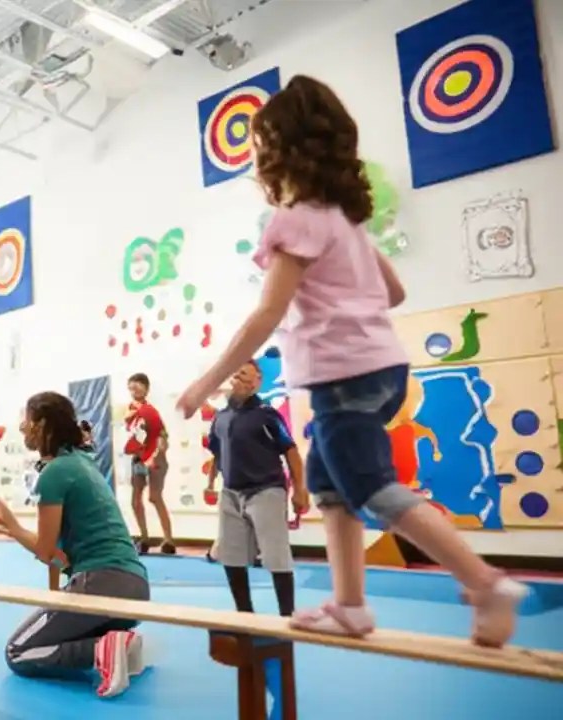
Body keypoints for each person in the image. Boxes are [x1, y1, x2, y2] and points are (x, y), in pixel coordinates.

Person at [175, 74, 527, 647]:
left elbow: (265, 314)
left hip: (344, 378)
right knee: (332, 488)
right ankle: (350, 605)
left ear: (277, 153)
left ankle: (483, 581)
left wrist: (205, 382)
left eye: (259, 149)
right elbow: (394, 294)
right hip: (382, 371)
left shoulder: (292, 222)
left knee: (370, 486)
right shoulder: (345, 221)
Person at [0, 392, 150, 699]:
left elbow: (45, 551)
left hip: (100, 584)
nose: (22, 427)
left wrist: (11, 525)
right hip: (135, 586)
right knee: (54, 627)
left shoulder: (54, 473)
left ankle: (100, 649)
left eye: (26, 420)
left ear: (42, 425)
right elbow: (59, 556)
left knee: (17, 652)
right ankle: (121, 643)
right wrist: (56, 598)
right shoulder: (82, 462)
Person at [206, 359, 307, 617]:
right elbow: (217, 453)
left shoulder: (267, 414)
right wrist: (210, 484)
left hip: (266, 490)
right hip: (231, 492)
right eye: (237, 372)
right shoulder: (220, 417)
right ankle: (244, 614)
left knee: (275, 555)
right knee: (232, 555)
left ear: (256, 384)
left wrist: (300, 490)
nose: (240, 378)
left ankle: (288, 614)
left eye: (246, 375)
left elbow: (291, 451)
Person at [124, 373, 174, 554]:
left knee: (155, 496)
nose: (134, 390)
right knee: (135, 499)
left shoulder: (150, 411)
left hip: (154, 457)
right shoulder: (130, 412)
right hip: (138, 458)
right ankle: (144, 538)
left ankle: (168, 539)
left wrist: (158, 453)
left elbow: (162, 435)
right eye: (131, 387)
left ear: (146, 388)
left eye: (138, 386)